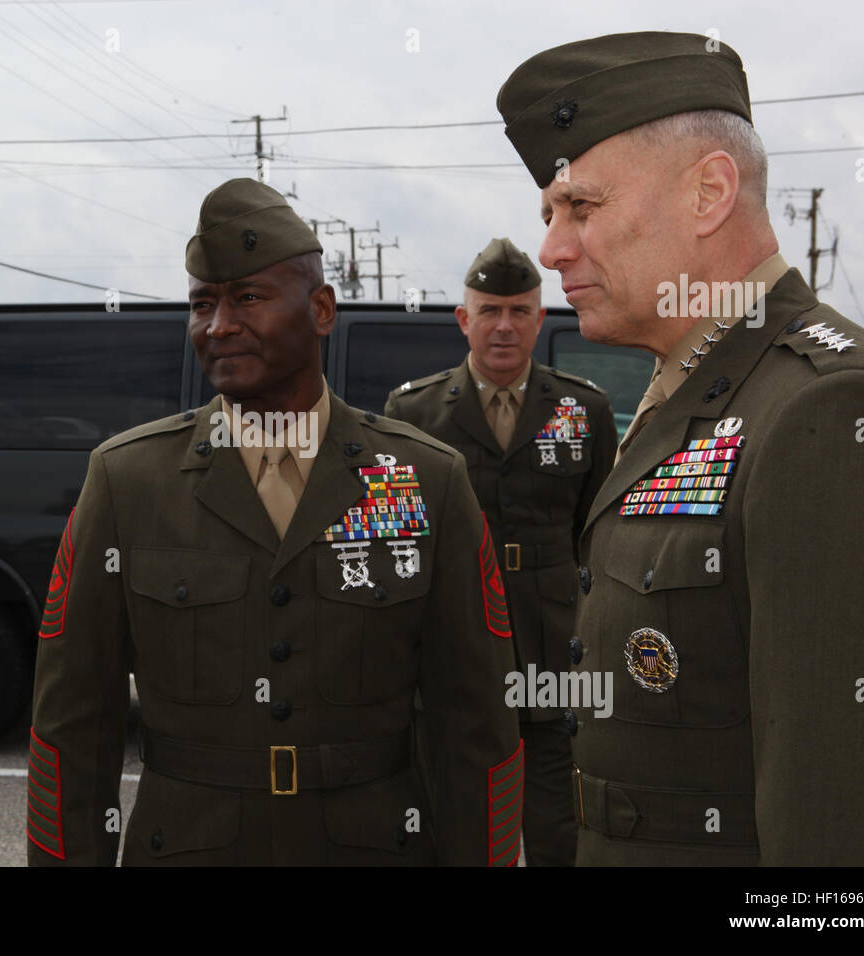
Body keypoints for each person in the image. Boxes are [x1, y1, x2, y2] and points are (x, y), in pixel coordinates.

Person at [497, 30, 864, 864]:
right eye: (550, 215)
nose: (550, 249)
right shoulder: (688, 391)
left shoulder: (826, 407)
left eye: (583, 208)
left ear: (709, 193)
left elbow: (842, 837)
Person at [27, 178, 521, 866]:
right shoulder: (127, 481)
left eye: (247, 298)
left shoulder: (427, 479)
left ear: (321, 309)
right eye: (203, 303)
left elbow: (477, 727)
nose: (219, 324)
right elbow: (71, 728)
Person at [384, 237, 615, 865]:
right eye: (489, 310)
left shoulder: (583, 410)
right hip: (456, 645)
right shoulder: (414, 414)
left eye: (519, 311)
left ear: (541, 319)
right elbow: (400, 550)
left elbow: (595, 540)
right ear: (464, 320)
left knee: (557, 825)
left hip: (551, 648)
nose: (504, 326)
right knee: (455, 817)